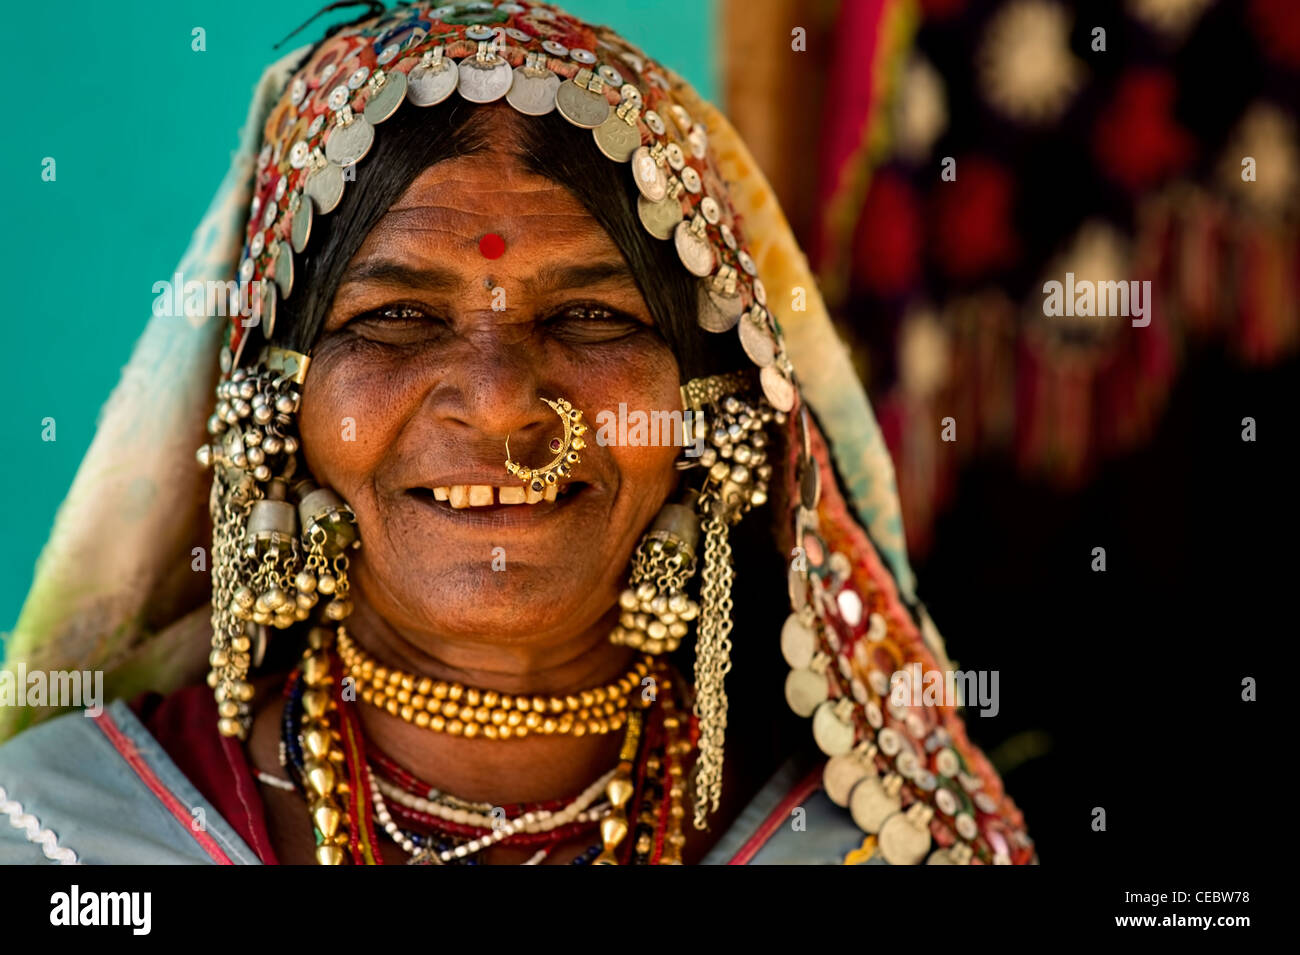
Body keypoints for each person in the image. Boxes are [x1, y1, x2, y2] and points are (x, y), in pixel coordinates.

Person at [0, 0, 1032, 865]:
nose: (498, 403)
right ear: (273, 399)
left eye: (593, 318)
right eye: (395, 318)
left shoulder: (867, 849)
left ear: (713, 403)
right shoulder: (59, 835)